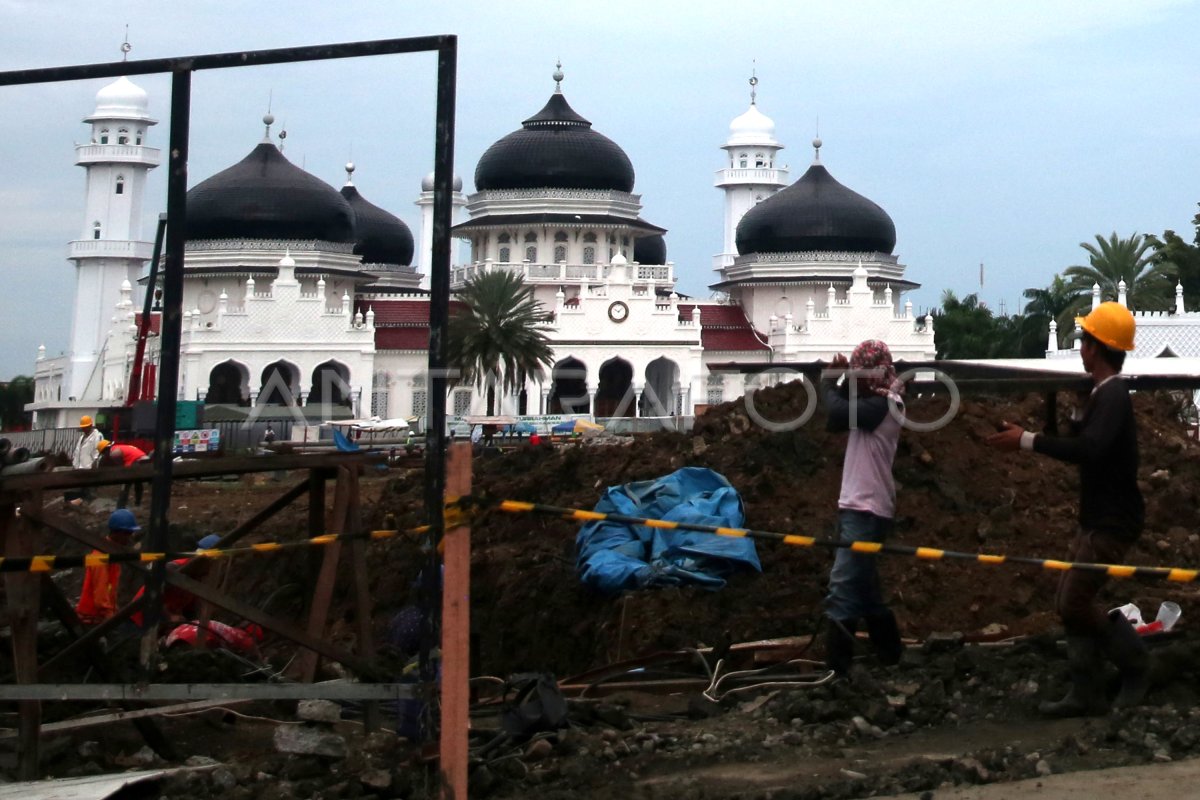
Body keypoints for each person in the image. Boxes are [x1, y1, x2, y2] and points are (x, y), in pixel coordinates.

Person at [985, 301, 1148, 715]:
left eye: (1085, 341)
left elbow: (1089, 450)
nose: (1081, 348)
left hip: (1111, 522)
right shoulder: (1104, 395)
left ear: (1095, 348)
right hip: (1097, 518)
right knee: (1068, 604)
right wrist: (1076, 408)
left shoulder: (1113, 396)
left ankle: (1135, 667)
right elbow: (1087, 440)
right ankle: (1087, 692)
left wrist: (1027, 440)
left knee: (1074, 603)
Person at [820, 339, 906, 676]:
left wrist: (829, 382)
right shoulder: (876, 404)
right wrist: (841, 382)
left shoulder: (886, 405)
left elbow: (838, 411)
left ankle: (836, 671)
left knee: (842, 587)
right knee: (866, 590)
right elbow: (836, 419)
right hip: (859, 506)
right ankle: (891, 656)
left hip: (866, 509)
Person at [130, 534, 220, 630]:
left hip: (159, 626)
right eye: (212, 564)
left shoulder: (197, 577)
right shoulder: (175, 568)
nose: (212, 568)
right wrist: (169, 617)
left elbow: (191, 608)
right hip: (139, 622)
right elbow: (152, 598)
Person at [75, 509, 140, 624]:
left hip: (100, 617)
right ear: (118, 533)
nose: (130, 538)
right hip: (91, 619)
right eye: (128, 533)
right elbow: (101, 596)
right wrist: (111, 617)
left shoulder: (112, 555)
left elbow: (110, 591)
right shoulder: (100, 557)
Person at [97, 439, 150, 508]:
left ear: (105, 450)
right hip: (145, 460)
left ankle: (120, 506)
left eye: (103, 453)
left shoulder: (114, 453)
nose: (105, 455)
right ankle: (137, 504)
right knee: (138, 483)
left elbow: (121, 467)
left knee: (125, 485)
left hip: (136, 462)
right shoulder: (119, 447)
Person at [68, 415, 104, 505]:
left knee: (90, 490)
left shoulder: (97, 436)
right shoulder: (82, 438)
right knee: (79, 490)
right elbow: (77, 452)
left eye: (85, 427)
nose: (84, 429)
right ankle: (80, 505)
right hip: (80, 469)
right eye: (83, 428)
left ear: (90, 426)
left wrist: (95, 462)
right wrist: (74, 464)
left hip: (89, 468)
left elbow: (98, 450)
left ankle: (91, 505)